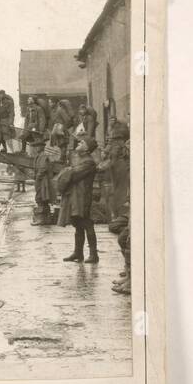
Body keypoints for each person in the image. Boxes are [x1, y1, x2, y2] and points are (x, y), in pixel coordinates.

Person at [98, 121, 131, 293]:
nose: (109, 143)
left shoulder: (124, 157)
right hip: (120, 200)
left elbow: (106, 165)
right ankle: (129, 272)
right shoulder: (118, 155)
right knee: (124, 237)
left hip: (127, 203)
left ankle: (132, 275)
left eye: (112, 140)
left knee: (126, 237)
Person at [56, 138, 99, 263]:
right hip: (76, 197)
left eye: (82, 143)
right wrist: (67, 171)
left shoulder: (88, 162)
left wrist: (66, 171)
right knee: (78, 224)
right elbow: (70, 172)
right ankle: (78, 253)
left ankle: (93, 254)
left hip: (83, 197)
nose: (78, 143)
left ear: (86, 149)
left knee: (86, 222)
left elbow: (73, 175)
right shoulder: (80, 159)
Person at [30, 136, 55, 225]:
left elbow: (43, 168)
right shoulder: (38, 156)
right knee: (42, 198)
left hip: (43, 180)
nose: (36, 148)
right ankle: (46, 218)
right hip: (40, 179)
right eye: (35, 146)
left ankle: (41, 219)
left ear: (42, 147)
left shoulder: (44, 156)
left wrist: (38, 176)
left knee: (40, 197)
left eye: (38, 146)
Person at [0, 88, 16, 153]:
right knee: (0, 135)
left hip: (6, 120)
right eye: (0, 95)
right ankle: (4, 148)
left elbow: (11, 113)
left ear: (4, 95)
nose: (1, 96)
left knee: (5, 135)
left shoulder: (9, 103)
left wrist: (10, 123)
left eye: (2, 95)